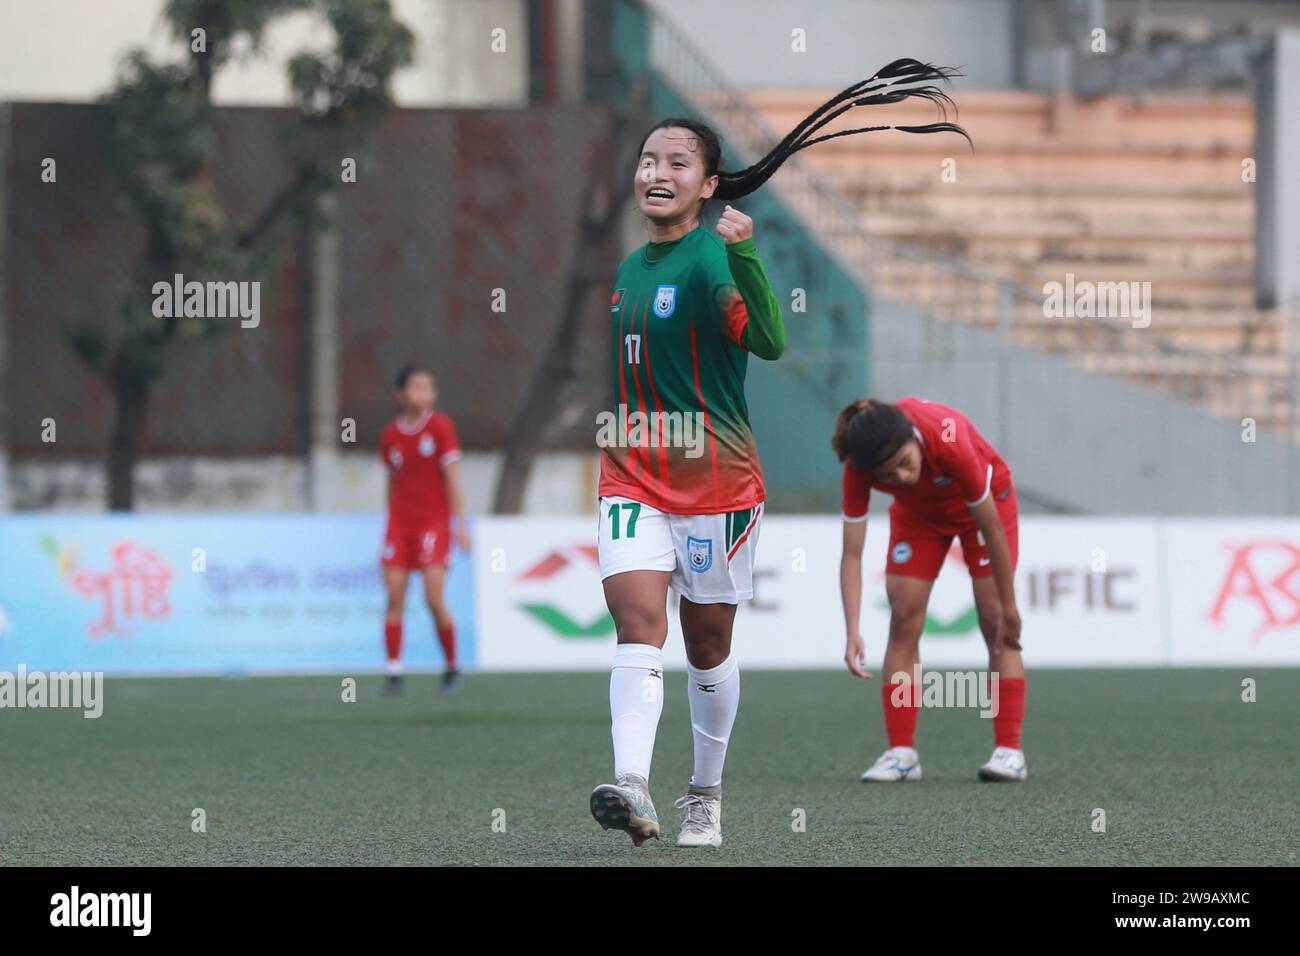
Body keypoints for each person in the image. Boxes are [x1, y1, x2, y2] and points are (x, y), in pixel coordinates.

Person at [589, 60, 971, 849]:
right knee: (635, 622)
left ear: (708, 185)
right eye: (647, 160)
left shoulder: (717, 259)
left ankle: (704, 793)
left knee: (708, 646)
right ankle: (632, 783)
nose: (655, 173)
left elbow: (768, 341)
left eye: (676, 163)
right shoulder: (628, 271)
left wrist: (751, 255)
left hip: (718, 484)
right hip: (631, 473)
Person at [834, 397, 1028, 782]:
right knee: (904, 616)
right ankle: (901, 752)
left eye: (906, 464)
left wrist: (1009, 606)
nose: (902, 478)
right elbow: (852, 554)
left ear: (915, 439)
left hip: (984, 511)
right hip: (919, 515)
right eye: (888, 476)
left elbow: (990, 530)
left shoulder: (948, 439)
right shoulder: (858, 466)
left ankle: (1009, 752)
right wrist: (852, 629)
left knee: (994, 622)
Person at [379, 365, 470, 695]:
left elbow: (453, 479)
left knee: (433, 598)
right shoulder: (391, 434)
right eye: (416, 386)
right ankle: (393, 673)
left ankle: (451, 667)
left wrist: (460, 525)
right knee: (394, 595)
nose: (424, 393)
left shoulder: (441, 427)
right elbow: (391, 481)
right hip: (400, 526)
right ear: (400, 393)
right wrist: (391, 523)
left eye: (429, 387)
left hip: (433, 524)